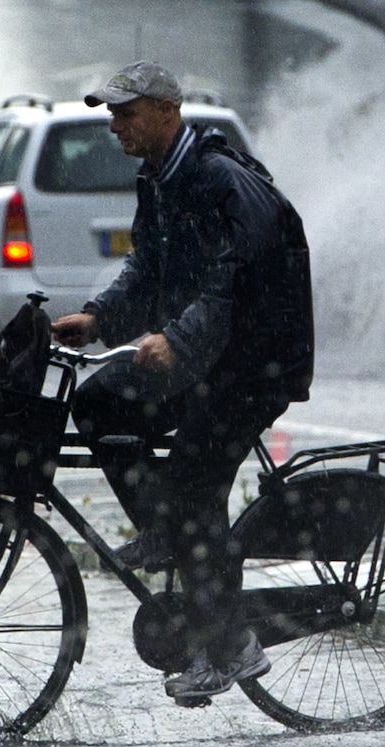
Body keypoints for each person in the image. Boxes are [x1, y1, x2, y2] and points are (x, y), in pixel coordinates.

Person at [51, 62, 315, 705]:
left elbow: (238, 277)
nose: (116, 125)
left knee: (196, 490)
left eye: (127, 112)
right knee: (99, 400)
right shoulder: (158, 181)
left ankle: (230, 647)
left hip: (254, 364)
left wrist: (179, 340)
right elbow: (148, 267)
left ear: (168, 110)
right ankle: (170, 534)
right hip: (204, 359)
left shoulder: (219, 178)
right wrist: (100, 317)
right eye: (112, 114)